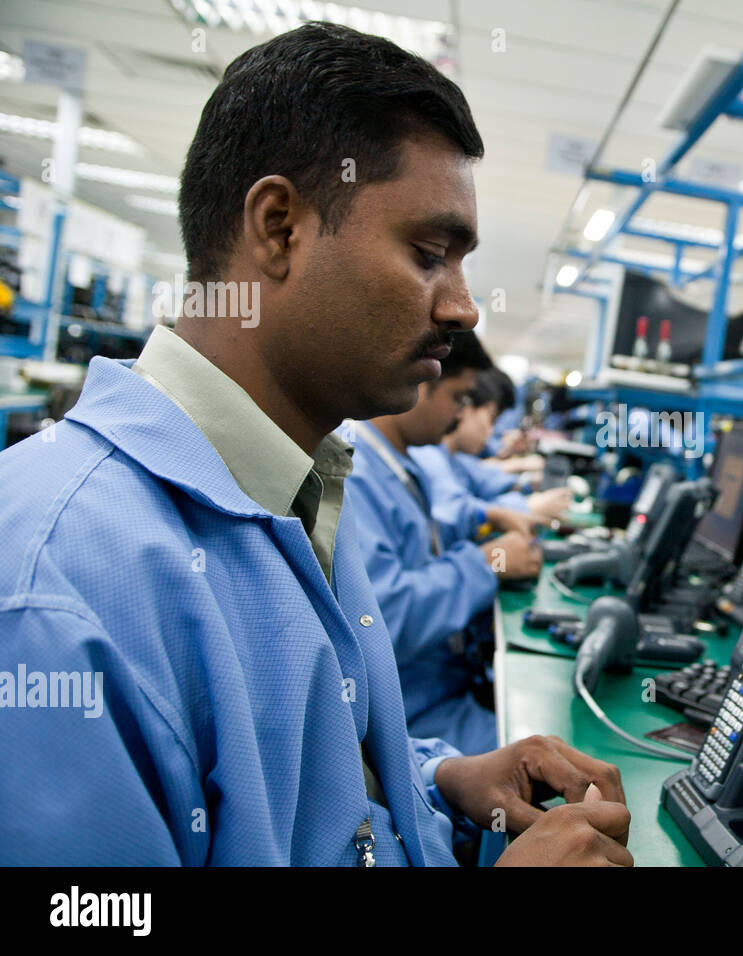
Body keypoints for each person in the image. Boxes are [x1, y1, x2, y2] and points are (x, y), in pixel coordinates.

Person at [0, 22, 630, 866]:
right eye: (430, 254)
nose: (464, 308)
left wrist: (434, 783)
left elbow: (301, 790)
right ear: (280, 226)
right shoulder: (57, 593)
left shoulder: (300, 486)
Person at [347, 332, 539, 754]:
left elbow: (429, 539)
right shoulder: (357, 473)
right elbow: (386, 618)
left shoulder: (401, 462)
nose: (457, 414)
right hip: (410, 716)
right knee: (547, 767)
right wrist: (487, 564)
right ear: (422, 380)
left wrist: (487, 523)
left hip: (441, 688)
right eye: (457, 396)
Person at [411, 367, 571, 536]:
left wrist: (525, 483)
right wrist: (526, 507)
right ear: (467, 408)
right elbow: (452, 517)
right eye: (492, 418)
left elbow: (481, 476)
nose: (490, 430)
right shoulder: (429, 455)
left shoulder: (453, 458)